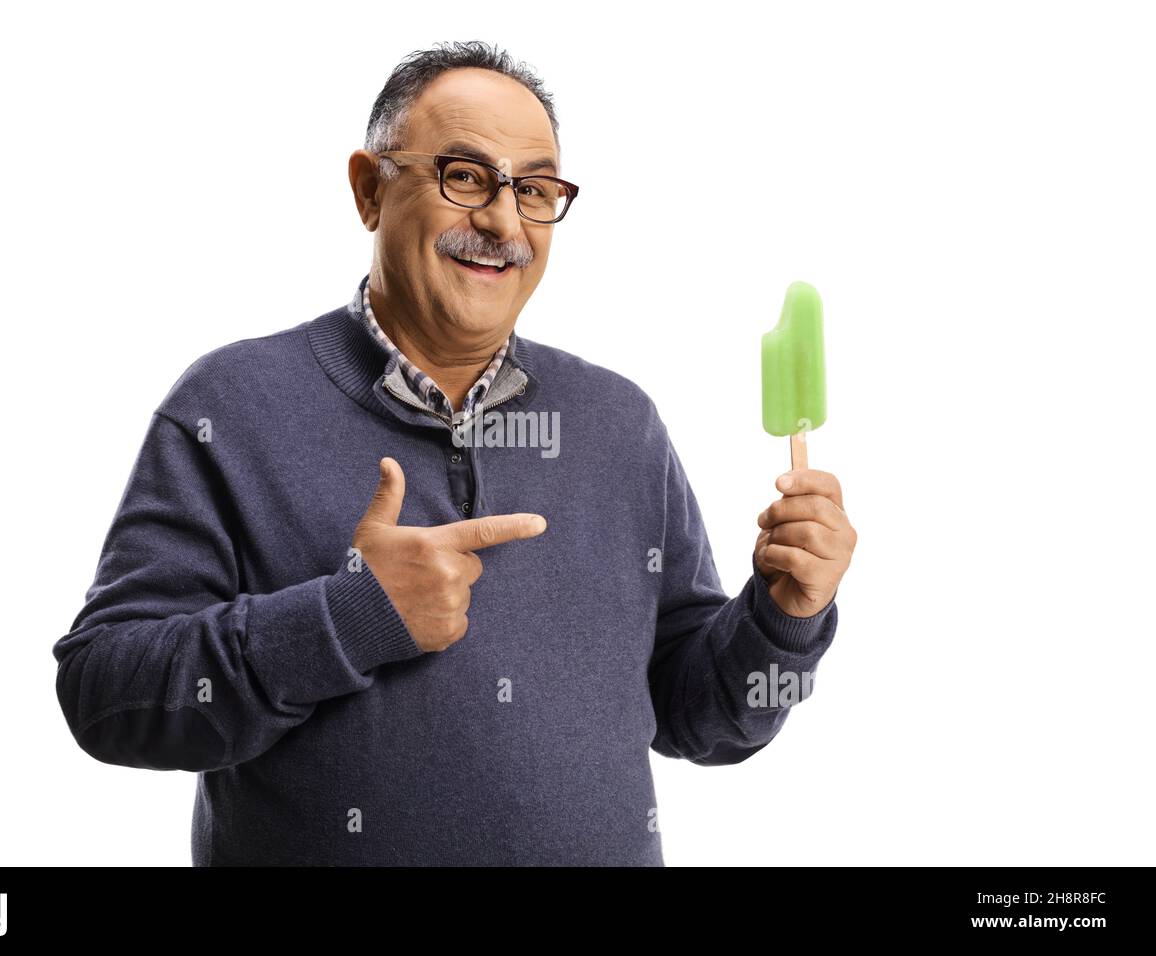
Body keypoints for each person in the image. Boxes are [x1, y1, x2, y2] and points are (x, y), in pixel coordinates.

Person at [52, 40, 857, 866]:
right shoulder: (231, 405)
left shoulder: (622, 423)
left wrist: (784, 620)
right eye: (465, 177)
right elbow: (103, 696)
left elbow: (703, 719)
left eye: (535, 189)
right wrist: (347, 619)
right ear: (370, 189)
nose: (504, 222)